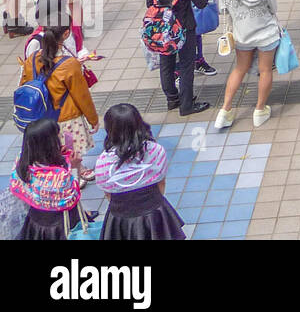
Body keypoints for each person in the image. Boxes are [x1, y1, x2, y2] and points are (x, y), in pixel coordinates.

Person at [18, 13, 98, 180]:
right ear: (66, 33)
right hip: (66, 120)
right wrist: (93, 119)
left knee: (50, 158)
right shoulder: (69, 64)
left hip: (40, 119)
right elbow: (82, 96)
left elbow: (24, 84)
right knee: (71, 158)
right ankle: (74, 179)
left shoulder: (32, 58)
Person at [93, 104, 187, 239]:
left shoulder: (103, 161)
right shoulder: (155, 150)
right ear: (138, 123)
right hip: (154, 212)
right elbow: (161, 183)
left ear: (109, 129)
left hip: (121, 218)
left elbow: (108, 194)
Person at [213, 0, 282, 131]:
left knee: (240, 69)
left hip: (242, 35)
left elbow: (223, 11)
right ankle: (259, 111)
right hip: (266, 35)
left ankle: (225, 110)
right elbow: (273, 8)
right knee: (265, 70)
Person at [147, 0, 212, 115]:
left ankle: (172, 99)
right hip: (184, 28)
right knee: (185, 65)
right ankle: (186, 105)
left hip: (160, 27)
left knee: (166, 63)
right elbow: (201, 2)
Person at [8, 118, 80, 240]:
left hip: (35, 220)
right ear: (50, 144)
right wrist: (74, 167)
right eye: (57, 137)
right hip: (61, 224)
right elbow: (72, 196)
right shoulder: (61, 176)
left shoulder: (21, 162)